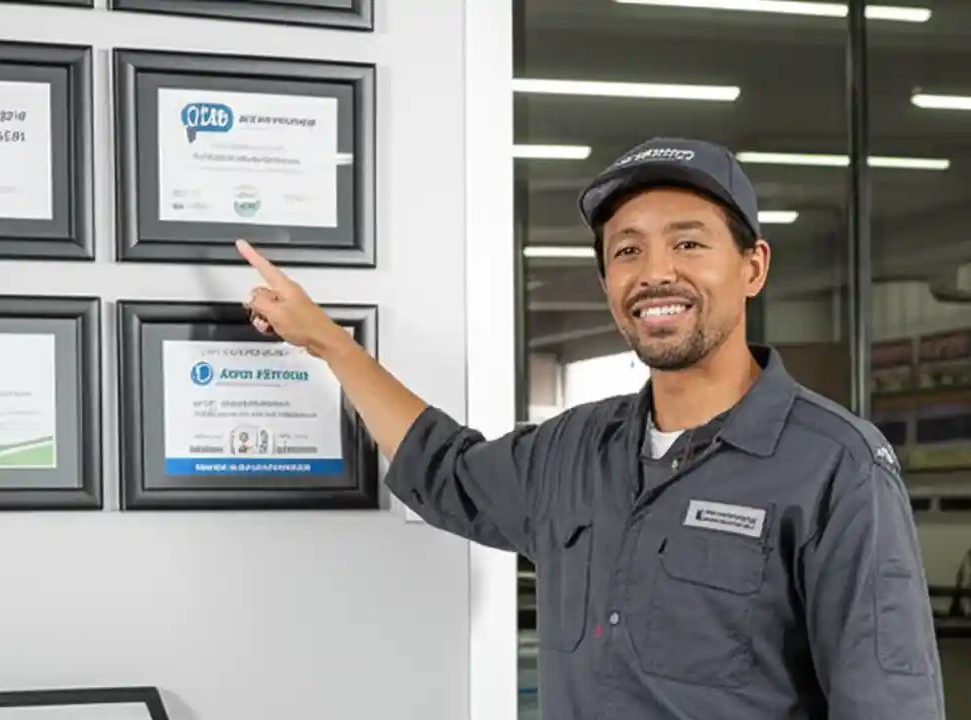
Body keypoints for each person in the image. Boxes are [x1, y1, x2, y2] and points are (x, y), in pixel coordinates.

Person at [236, 137, 945, 719]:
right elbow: (445, 470)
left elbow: (889, 706)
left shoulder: (836, 467)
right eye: (627, 251)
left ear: (752, 267)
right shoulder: (572, 451)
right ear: (608, 281)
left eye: (689, 244)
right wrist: (327, 340)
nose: (655, 272)